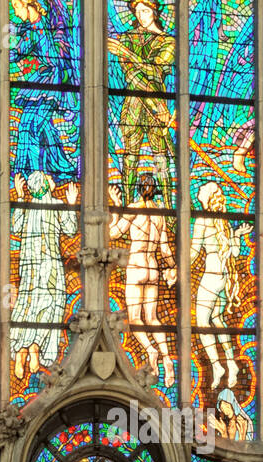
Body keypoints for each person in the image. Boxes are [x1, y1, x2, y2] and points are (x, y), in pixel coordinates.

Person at [10, 171, 79, 384]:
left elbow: (15, 227)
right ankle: (35, 346)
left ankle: (22, 348)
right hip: (50, 265)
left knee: (28, 304)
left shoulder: (28, 206)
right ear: (45, 186)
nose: (52, 180)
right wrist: (71, 204)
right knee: (51, 305)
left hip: (29, 267)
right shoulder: (56, 204)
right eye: (48, 179)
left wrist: (21, 196)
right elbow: (71, 229)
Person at [107, 0, 177, 205]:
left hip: (158, 106)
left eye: (145, 11)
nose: (140, 16)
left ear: (155, 12)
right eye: (137, 12)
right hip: (137, 106)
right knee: (130, 158)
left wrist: (126, 53)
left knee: (161, 159)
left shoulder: (168, 42)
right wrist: (159, 106)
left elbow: (155, 69)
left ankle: (170, 211)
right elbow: (132, 76)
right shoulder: (127, 38)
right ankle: (127, 205)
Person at [109, 174, 177, 387]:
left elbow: (113, 233)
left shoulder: (133, 208)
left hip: (136, 265)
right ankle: (167, 357)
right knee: (153, 317)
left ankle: (151, 352)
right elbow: (165, 247)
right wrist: (173, 266)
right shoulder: (159, 214)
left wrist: (117, 207)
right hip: (153, 267)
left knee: (136, 318)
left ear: (138, 189)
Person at [9, 0, 79, 182]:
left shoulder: (44, 26)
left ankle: (34, 177)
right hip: (40, 83)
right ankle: (62, 169)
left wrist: (1, 22)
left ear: (27, 3)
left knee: (32, 125)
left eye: (16, 6)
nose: (15, 12)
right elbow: (13, 53)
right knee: (34, 125)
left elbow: (51, 58)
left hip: (53, 84)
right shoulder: (31, 29)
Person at [191, 182, 250, 388]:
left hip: (211, 276)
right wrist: (237, 236)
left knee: (201, 323)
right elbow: (234, 253)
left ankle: (217, 365)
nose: (197, 191)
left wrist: (175, 266)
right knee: (217, 319)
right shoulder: (222, 222)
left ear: (206, 198)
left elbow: (193, 253)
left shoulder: (202, 220)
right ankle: (231, 364)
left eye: (201, 190)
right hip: (223, 276)